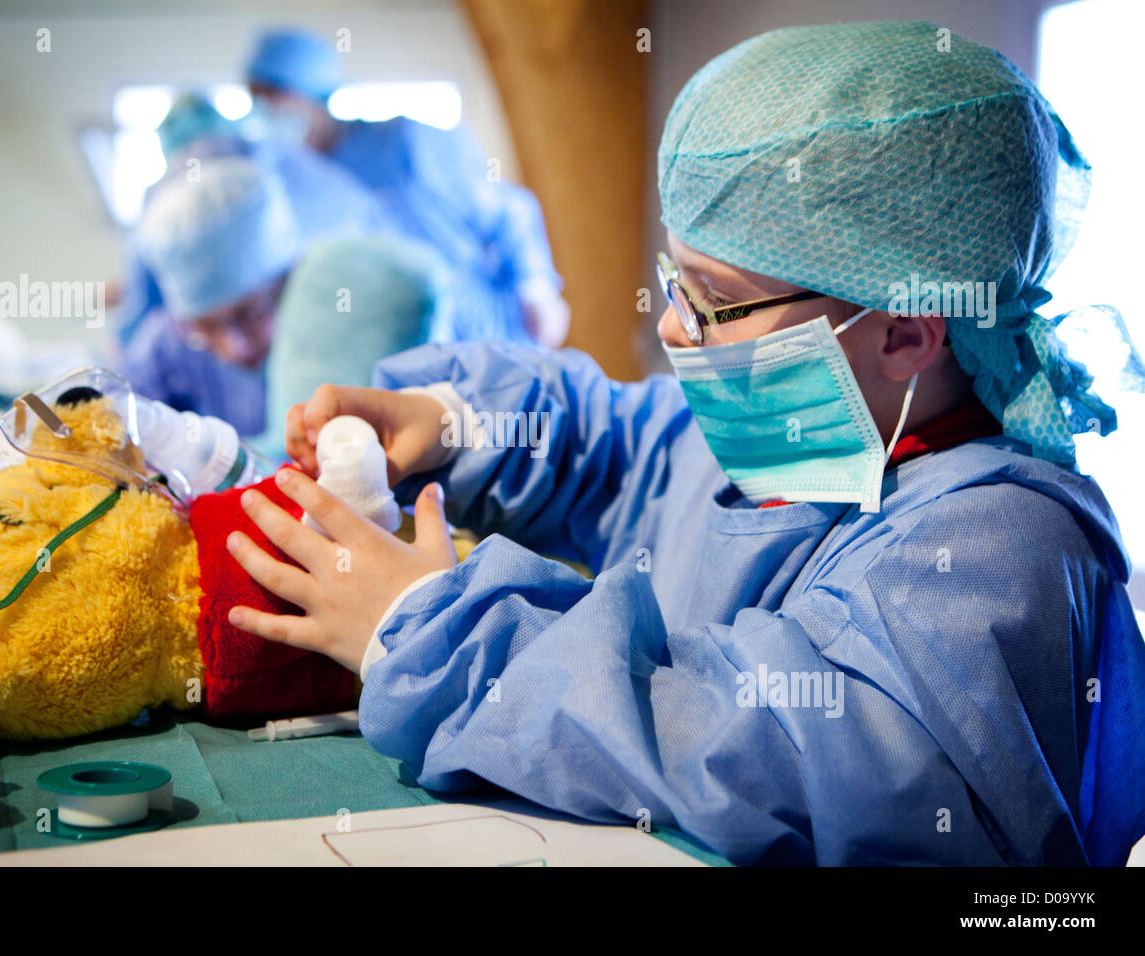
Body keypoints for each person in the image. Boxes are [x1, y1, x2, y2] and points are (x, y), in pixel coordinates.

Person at [222, 21, 1145, 865]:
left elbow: (760, 751)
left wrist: (433, 633)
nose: (670, 327)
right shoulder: (796, 440)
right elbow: (628, 448)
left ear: (904, 332)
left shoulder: (995, 550)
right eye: (674, 280)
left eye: (711, 299)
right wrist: (457, 422)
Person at [245, 27, 571, 348]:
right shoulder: (293, 182)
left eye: (273, 97)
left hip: (490, 330)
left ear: (314, 93)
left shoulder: (409, 141)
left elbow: (509, 210)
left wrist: (537, 289)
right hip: (400, 349)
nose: (264, 112)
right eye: (254, 99)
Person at [127, 154, 447, 444]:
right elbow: (116, 423)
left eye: (247, 313)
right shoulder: (166, 343)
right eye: (204, 329)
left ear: (292, 275)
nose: (233, 349)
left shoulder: (342, 311)